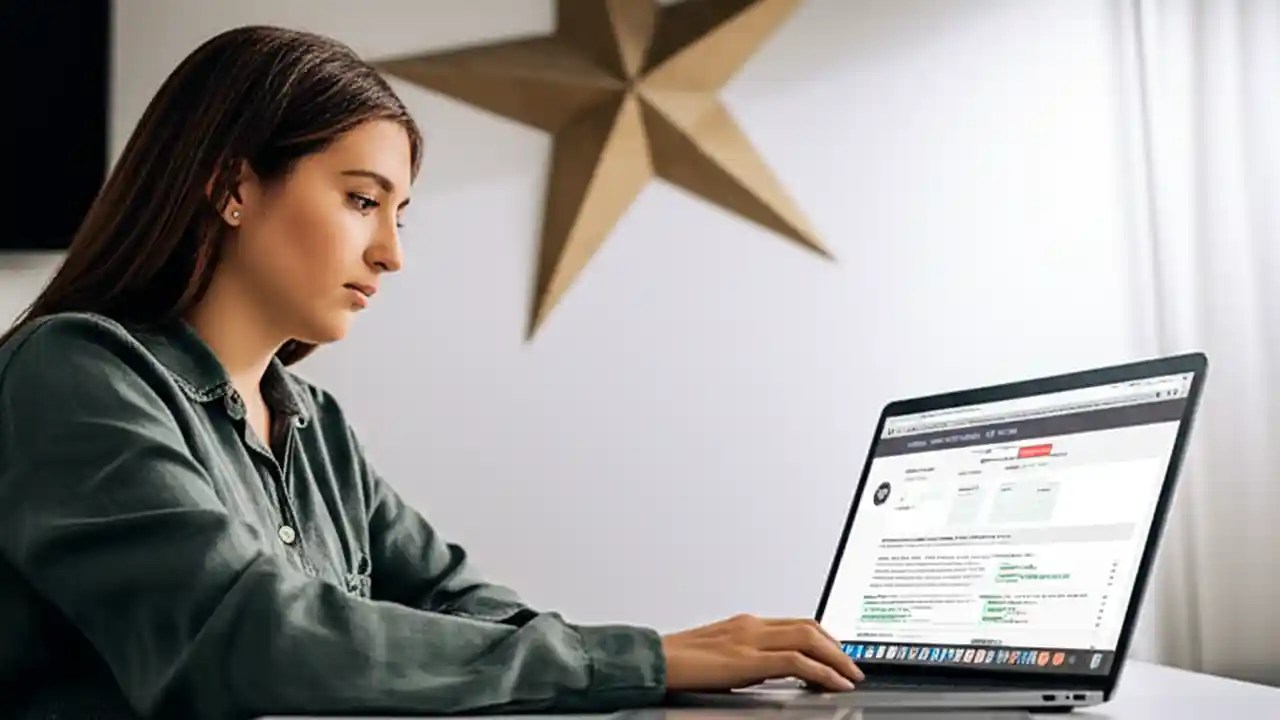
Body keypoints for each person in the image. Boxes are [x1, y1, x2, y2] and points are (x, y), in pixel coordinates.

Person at [0, 25, 863, 719]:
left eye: (399, 214)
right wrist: (639, 660)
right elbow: (251, 638)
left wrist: (669, 662)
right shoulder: (75, 373)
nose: (391, 254)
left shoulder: (311, 422)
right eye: (362, 200)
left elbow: (456, 601)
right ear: (233, 186)